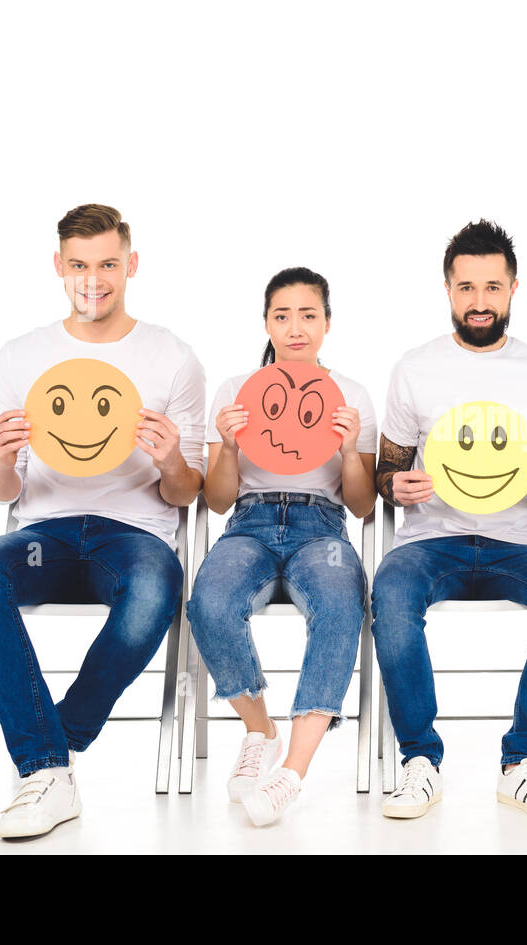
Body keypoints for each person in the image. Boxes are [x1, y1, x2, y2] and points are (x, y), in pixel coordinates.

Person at [0, 204, 205, 839]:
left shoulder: (172, 357)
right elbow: (1, 489)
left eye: (108, 265)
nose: (93, 280)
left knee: (155, 588)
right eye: (79, 266)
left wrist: (171, 459)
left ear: (132, 265)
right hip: (45, 537)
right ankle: (48, 768)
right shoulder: (20, 356)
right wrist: (1, 459)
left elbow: (187, 492)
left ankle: (53, 745)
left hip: (134, 537)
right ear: (59, 267)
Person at [372, 220, 527, 820]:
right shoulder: (415, 368)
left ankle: (523, 763)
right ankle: (420, 761)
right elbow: (386, 470)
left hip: (520, 544)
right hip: (431, 541)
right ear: (448, 289)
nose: (479, 301)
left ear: (513, 289)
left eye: (492, 287)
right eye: (466, 287)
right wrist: (396, 484)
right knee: (391, 591)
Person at [187, 267, 376, 827]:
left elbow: (362, 505)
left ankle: (291, 772)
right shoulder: (236, 391)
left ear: (327, 323)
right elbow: (217, 500)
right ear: (266, 323)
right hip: (249, 521)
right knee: (209, 601)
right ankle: (259, 730)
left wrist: (349, 451)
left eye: (308, 315)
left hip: (322, 527)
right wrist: (227, 446)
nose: (296, 328)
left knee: (341, 602)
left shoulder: (351, 395)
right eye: (282, 316)